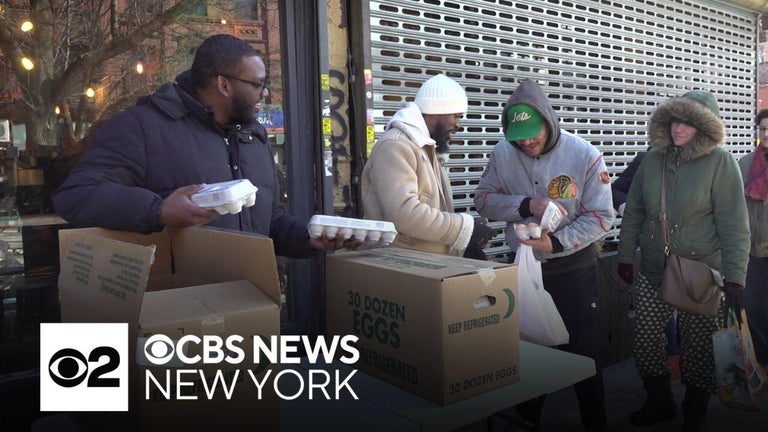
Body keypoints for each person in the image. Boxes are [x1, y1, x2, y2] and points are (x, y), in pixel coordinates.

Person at [52, 34, 354, 256]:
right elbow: (74, 196)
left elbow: (267, 220)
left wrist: (309, 237)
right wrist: (158, 210)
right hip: (176, 307)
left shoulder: (253, 137)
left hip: (252, 300)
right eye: (258, 84)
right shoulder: (141, 127)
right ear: (224, 85)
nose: (265, 93)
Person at [474, 78, 613, 432]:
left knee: (584, 356)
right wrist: (527, 205)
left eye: (532, 135)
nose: (526, 143)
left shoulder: (585, 155)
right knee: (524, 353)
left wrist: (557, 242)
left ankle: (595, 424)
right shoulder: (502, 154)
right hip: (523, 271)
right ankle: (525, 419)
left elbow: (602, 216)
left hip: (573, 271)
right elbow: (483, 200)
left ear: (549, 121)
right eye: (519, 137)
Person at [616, 90, 749, 432]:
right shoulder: (653, 158)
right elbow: (634, 211)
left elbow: (734, 223)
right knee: (645, 337)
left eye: (688, 122)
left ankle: (695, 411)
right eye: (675, 120)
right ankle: (659, 401)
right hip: (654, 268)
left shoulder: (721, 161)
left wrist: (735, 274)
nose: (678, 128)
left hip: (700, 270)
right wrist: (626, 256)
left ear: (704, 127)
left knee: (699, 344)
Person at [361, 73, 494, 259]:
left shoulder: (426, 148)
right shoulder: (396, 146)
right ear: (435, 110)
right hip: (397, 263)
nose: (458, 124)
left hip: (421, 262)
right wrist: (464, 229)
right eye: (456, 115)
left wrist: (461, 247)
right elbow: (404, 214)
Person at [738, 108, 768, 364]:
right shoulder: (745, 164)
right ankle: (761, 362)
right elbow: (733, 207)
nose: (766, 133)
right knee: (755, 308)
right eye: (762, 128)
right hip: (752, 249)